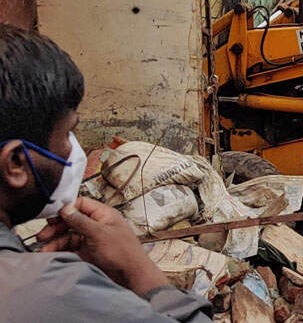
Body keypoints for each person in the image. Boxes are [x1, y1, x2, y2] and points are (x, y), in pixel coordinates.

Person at [0, 24, 212, 321]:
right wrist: (140, 272)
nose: (76, 150)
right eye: (68, 133)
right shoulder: (46, 290)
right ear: (16, 164)